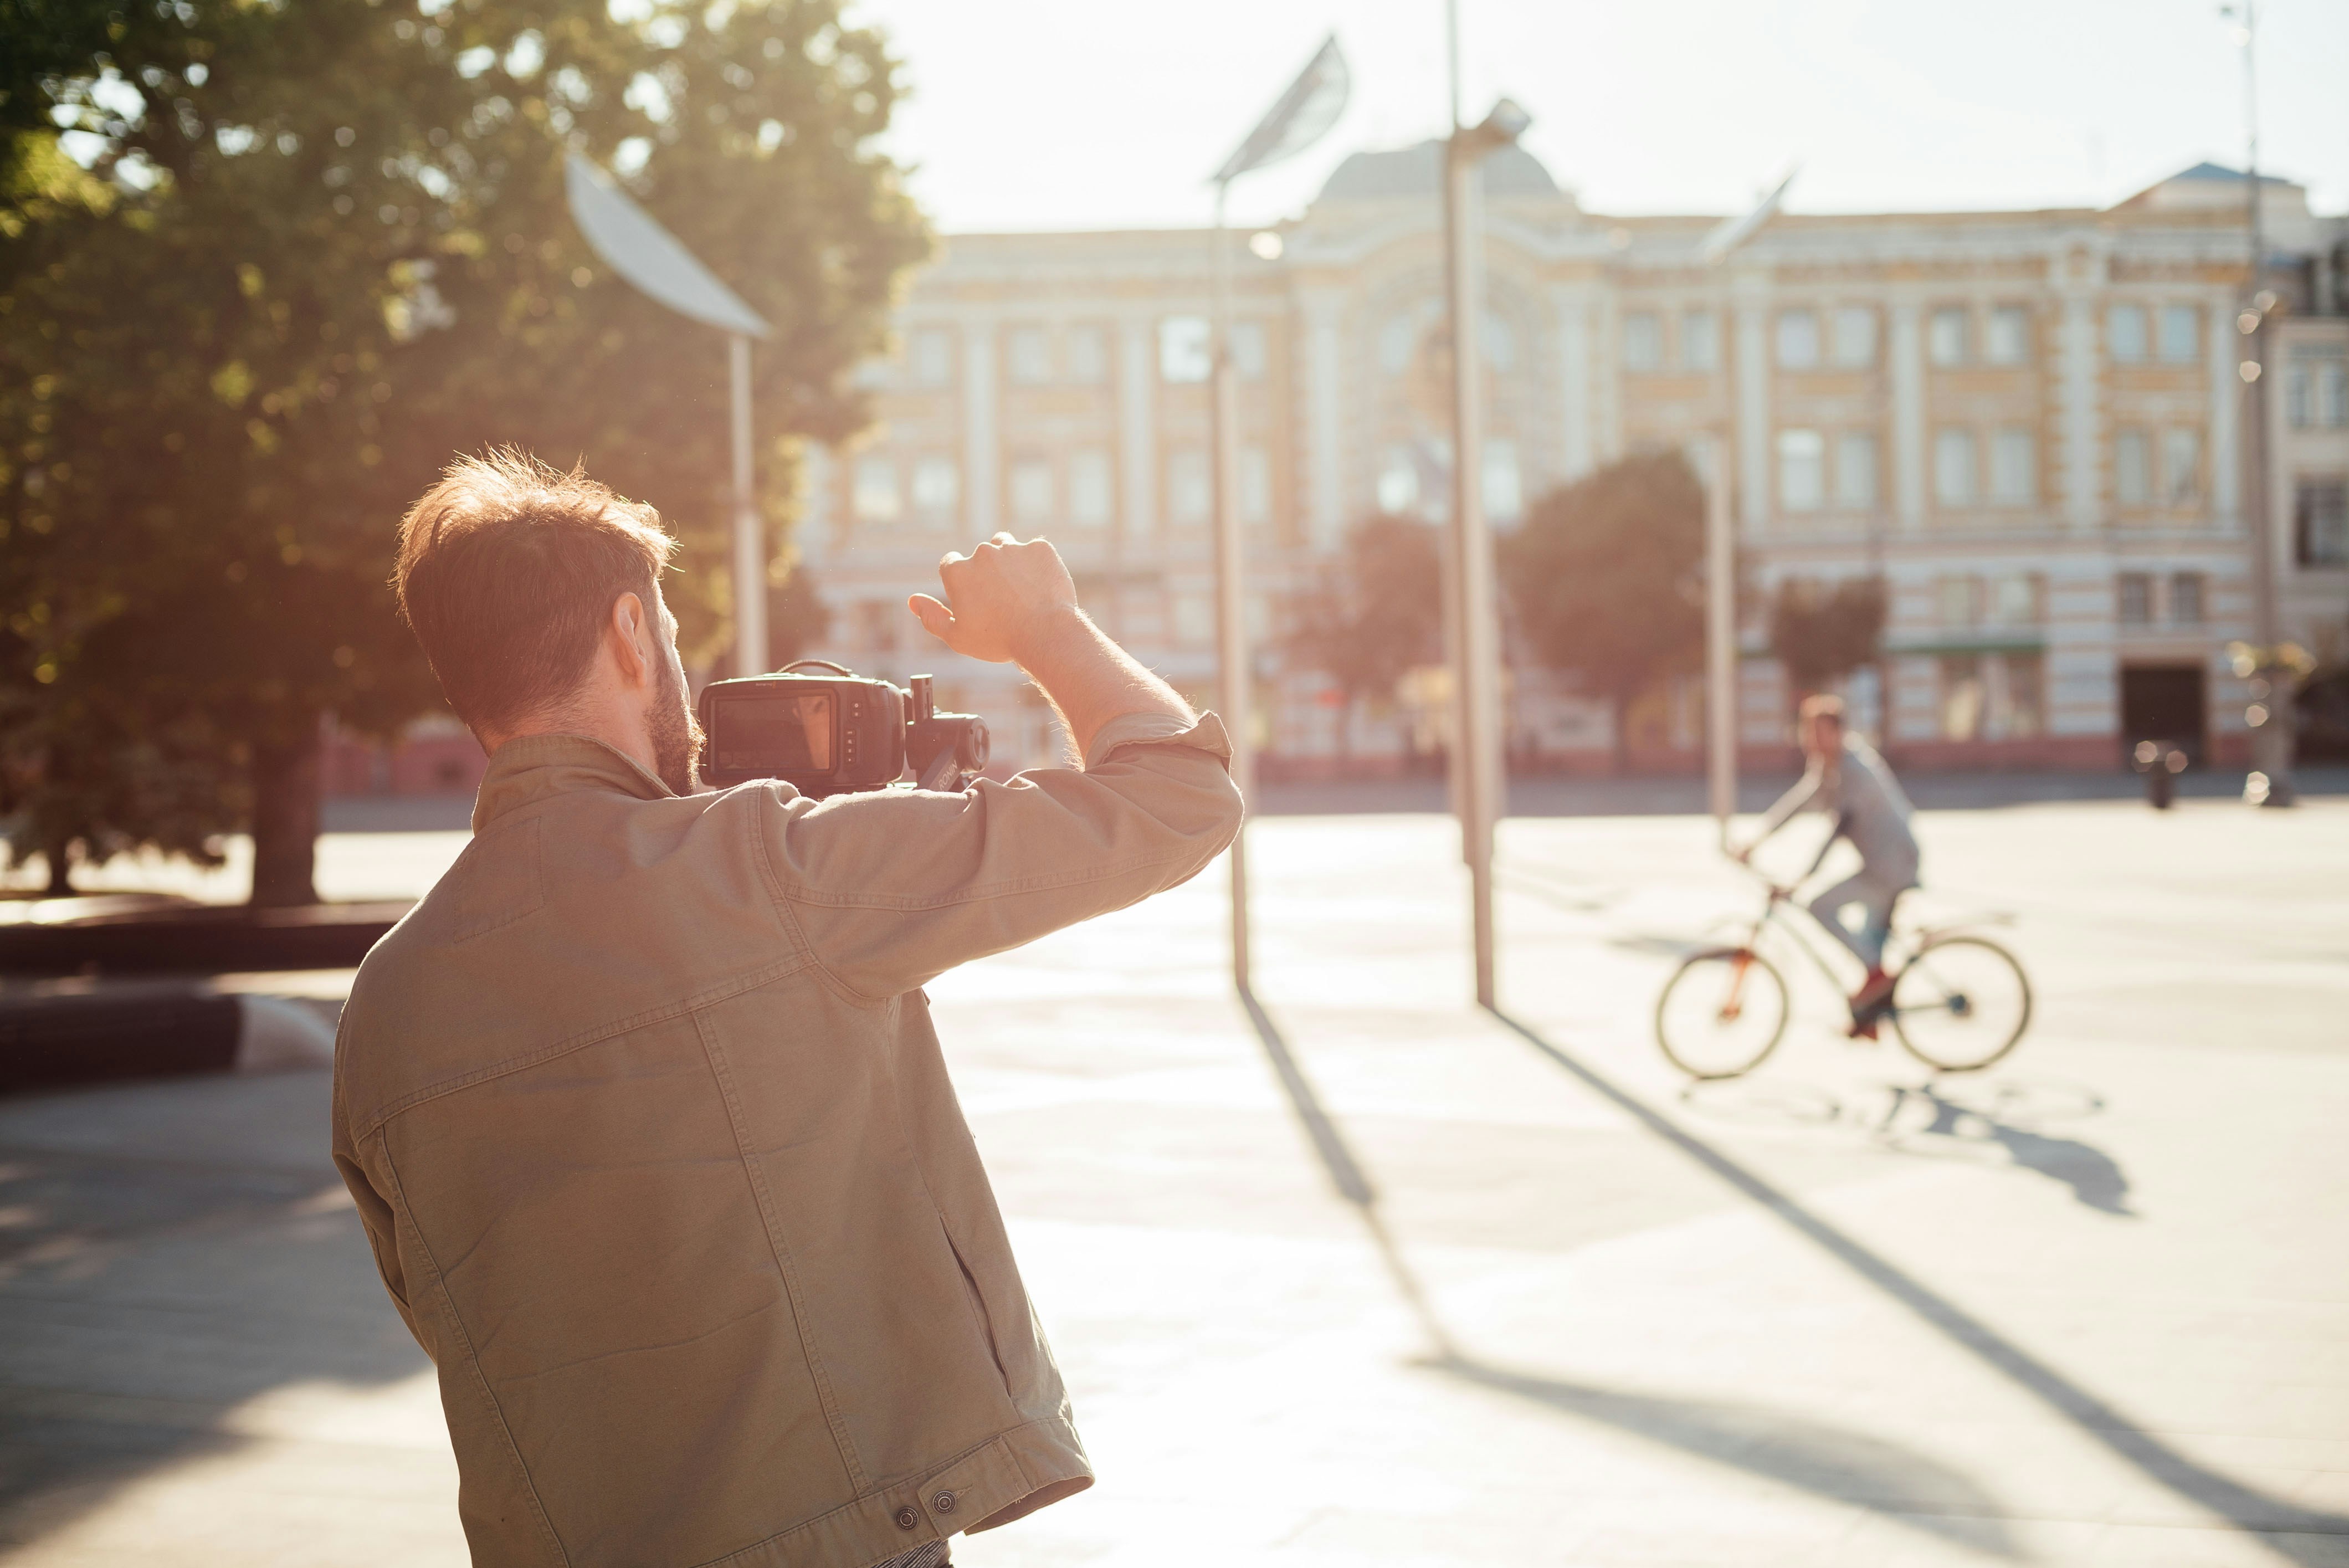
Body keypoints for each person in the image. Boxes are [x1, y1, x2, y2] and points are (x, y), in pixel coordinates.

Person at [332, 451, 1242, 1568]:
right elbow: (1177, 798)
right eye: (668, 633)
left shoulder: (388, 997)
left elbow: (451, 1309)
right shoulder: (767, 867)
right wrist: (1045, 625)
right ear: (629, 632)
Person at [1735, 694, 1919, 1038]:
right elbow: (1800, 801)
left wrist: (1803, 877)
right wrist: (1756, 839)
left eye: (1818, 733)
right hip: (1883, 863)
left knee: (1820, 906)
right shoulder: (1830, 765)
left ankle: (1876, 985)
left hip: (1891, 867)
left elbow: (1839, 828)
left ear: (1838, 733)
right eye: (1807, 733)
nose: (1811, 741)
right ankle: (1869, 1018)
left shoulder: (1853, 770)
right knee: (1870, 948)